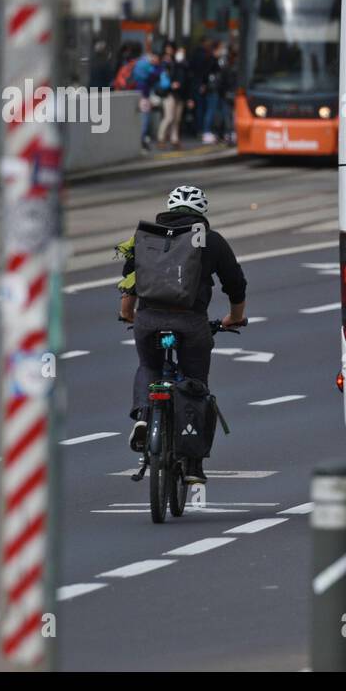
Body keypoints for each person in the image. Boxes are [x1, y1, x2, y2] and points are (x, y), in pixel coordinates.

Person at [116, 185, 247, 484]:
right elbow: (235, 283)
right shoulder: (211, 240)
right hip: (191, 324)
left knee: (149, 366)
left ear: (169, 208)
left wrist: (128, 314)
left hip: (148, 321)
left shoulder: (145, 238)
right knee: (196, 384)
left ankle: (143, 417)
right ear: (202, 212)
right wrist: (235, 317)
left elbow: (129, 282)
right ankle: (193, 467)